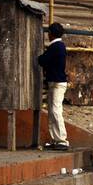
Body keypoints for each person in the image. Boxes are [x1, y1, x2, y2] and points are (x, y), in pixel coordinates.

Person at [38, 22, 69, 150]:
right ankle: (56, 139)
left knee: (56, 111)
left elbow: (42, 60)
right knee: (52, 111)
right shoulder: (59, 46)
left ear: (51, 34)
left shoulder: (56, 46)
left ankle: (62, 140)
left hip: (57, 83)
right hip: (55, 82)